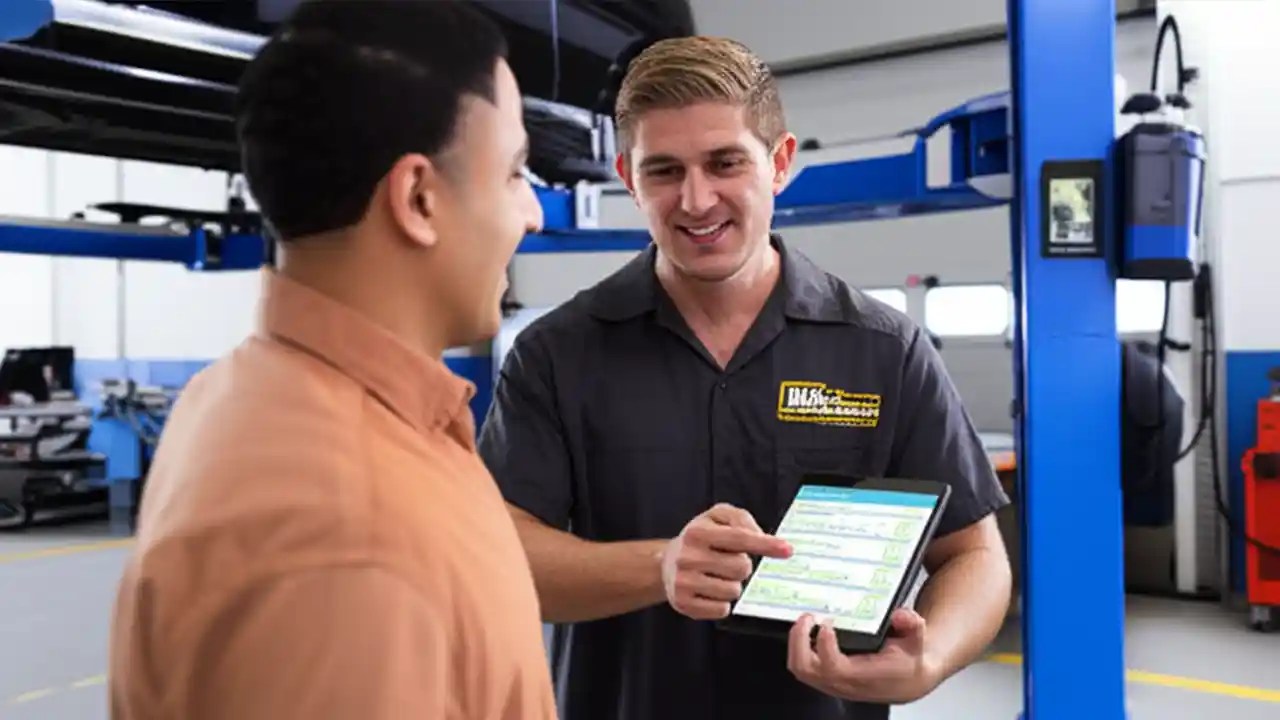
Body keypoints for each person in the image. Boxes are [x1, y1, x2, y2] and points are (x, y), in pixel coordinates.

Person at [478, 35, 1012, 720]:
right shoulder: (557, 355)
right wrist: (659, 566)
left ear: (780, 161)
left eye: (725, 162)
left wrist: (932, 653)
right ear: (627, 175)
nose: (697, 200)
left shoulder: (884, 351)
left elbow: (974, 554)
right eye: (664, 170)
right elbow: (499, 555)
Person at [108, 2, 554, 718]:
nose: (532, 213)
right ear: (418, 198)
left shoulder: (241, 394)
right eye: (514, 172)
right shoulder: (353, 543)